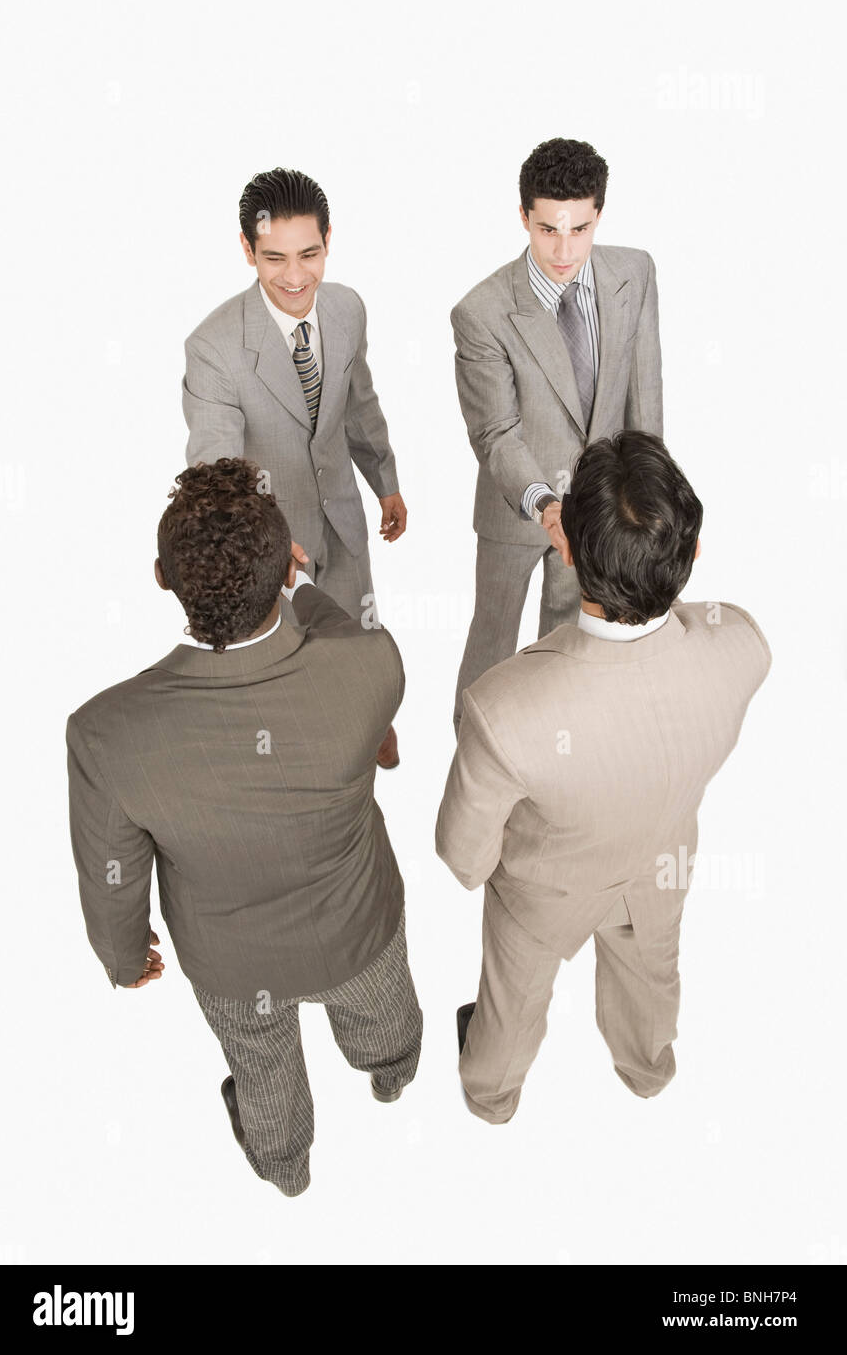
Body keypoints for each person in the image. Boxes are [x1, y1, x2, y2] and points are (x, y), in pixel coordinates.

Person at [66, 458, 422, 1197]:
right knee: (386, 1021)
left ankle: (286, 1168)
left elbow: (112, 879)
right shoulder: (371, 666)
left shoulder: (106, 735)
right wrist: (305, 586)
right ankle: (391, 1078)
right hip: (359, 930)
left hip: (233, 967)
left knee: (262, 1071)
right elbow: (339, 630)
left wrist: (124, 959)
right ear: (289, 561)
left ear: (162, 578)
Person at [436, 431, 770, 1123]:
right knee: (652, 975)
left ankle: (491, 1097)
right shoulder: (741, 648)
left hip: (540, 899)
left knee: (512, 1004)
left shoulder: (502, 709)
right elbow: (712, 621)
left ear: (564, 552)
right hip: (659, 868)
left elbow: (463, 859)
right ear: (693, 554)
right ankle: (647, 1069)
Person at [182, 167, 405, 767]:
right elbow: (215, 468)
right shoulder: (214, 347)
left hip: (343, 516)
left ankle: (373, 716)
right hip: (275, 541)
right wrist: (261, 540)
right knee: (293, 669)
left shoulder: (348, 309)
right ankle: (318, 758)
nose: (295, 276)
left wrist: (385, 482)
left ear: (329, 240)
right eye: (274, 258)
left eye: (309, 253)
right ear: (247, 250)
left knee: (359, 633)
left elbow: (359, 403)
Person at [451, 137, 664, 730]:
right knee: (492, 640)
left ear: (599, 213)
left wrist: (654, 504)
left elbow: (644, 404)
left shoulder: (635, 273)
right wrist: (545, 504)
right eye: (547, 230)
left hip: (600, 508)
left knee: (571, 642)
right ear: (523, 217)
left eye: (580, 228)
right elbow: (495, 432)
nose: (564, 249)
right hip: (517, 508)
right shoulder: (482, 311)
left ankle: (553, 749)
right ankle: (473, 747)